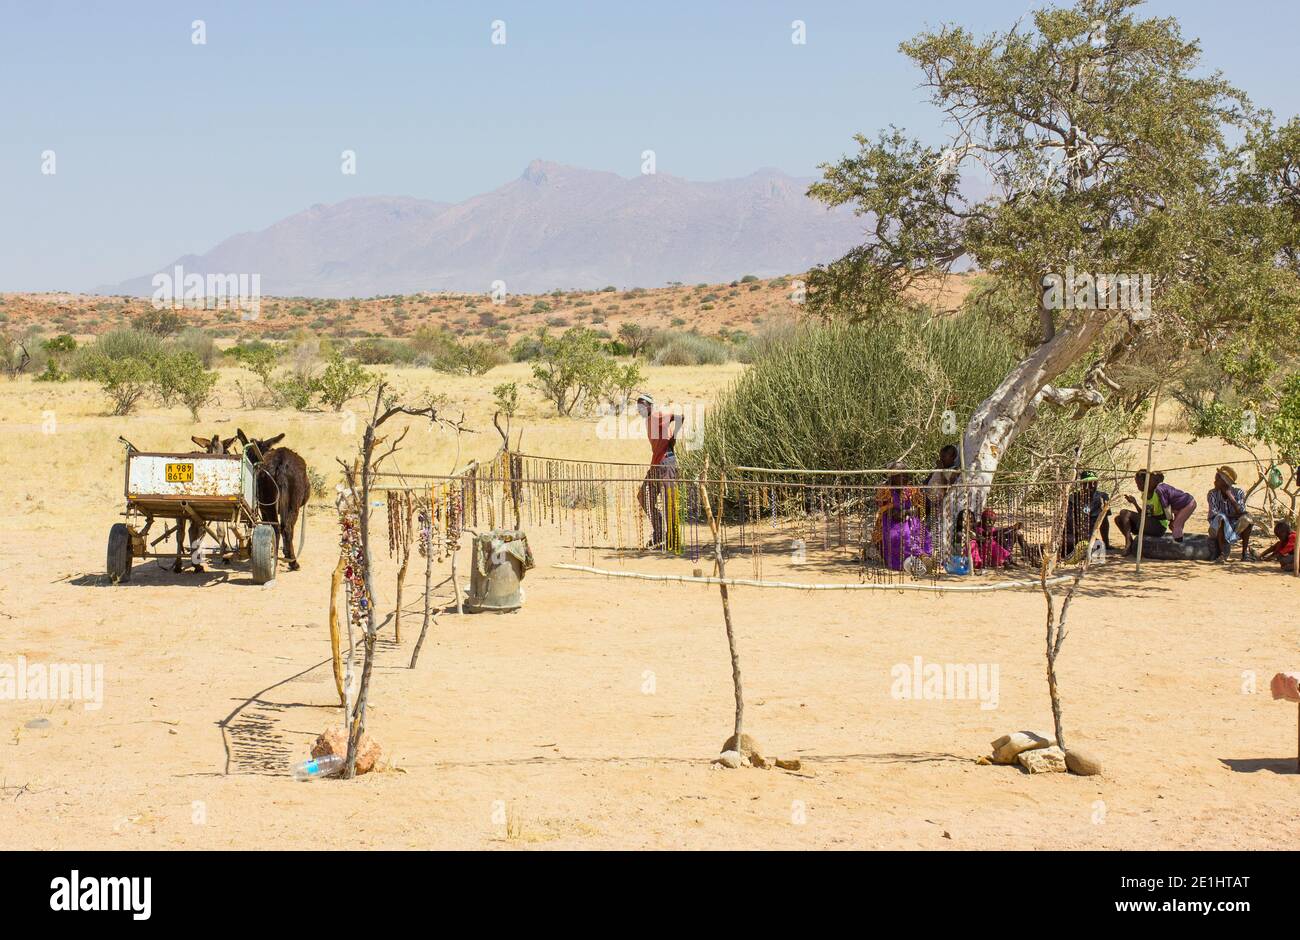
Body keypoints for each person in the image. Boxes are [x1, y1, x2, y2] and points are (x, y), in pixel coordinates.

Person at [635, 393, 682, 550]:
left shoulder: (658, 415)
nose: (639, 409)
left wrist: (673, 438)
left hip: (667, 462)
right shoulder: (649, 420)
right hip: (656, 464)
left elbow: (680, 417)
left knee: (669, 501)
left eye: (642, 405)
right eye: (638, 406)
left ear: (649, 405)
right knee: (643, 496)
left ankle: (673, 538)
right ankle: (660, 533)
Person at [1115, 470, 1195, 552]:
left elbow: (1166, 513)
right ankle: (1130, 542)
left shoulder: (1158, 493)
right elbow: (1145, 514)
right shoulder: (1144, 495)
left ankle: (1128, 543)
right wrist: (1135, 503)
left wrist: (1153, 517)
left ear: (1147, 482)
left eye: (1139, 483)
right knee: (1118, 519)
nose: (1138, 486)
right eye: (1137, 484)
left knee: (1124, 513)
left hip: (1159, 526)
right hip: (1150, 523)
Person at [874, 463, 932, 571]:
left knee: (924, 533)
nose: (906, 478)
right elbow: (893, 513)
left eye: (907, 475)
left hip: (910, 520)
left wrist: (914, 511)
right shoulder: (885, 490)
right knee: (903, 535)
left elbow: (921, 506)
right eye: (902, 475)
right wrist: (907, 512)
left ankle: (924, 557)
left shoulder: (910, 489)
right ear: (893, 476)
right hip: (890, 522)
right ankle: (916, 559)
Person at [1206, 465, 1256, 562]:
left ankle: (1244, 554)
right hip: (1217, 528)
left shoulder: (1238, 492)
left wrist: (1230, 496)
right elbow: (1214, 514)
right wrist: (1233, 516)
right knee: (1221, 518)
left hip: (1234, 526)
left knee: (1248, 519)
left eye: (1217, 479)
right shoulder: (1212, 494)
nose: (1214, 482)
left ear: (1225, 482)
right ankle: (1222, 554)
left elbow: (1242, 512)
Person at [1063, 470, 1111, 556]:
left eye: (1094, 483)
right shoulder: (1072, 498)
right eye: (1088, 483)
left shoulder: (1102, 497)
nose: (1092, 486)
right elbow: (1069, 522)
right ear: (1082, 484)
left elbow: (1104, 521)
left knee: (1099, 547)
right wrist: (1081, 535)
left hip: (1089, 537)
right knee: (1068, 543)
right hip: (1074, 536)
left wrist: (1106, 543)